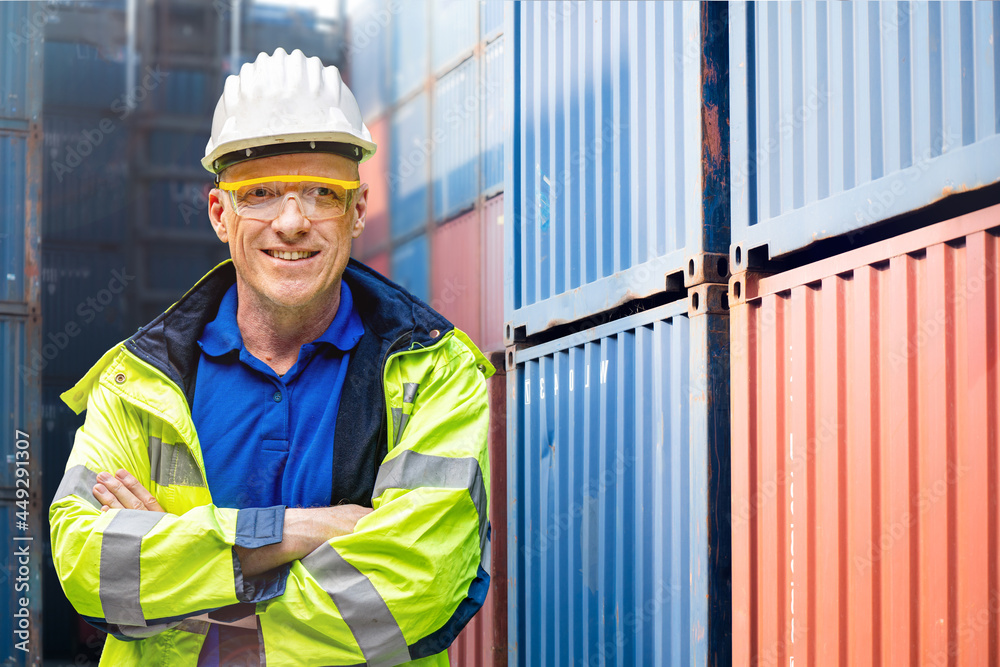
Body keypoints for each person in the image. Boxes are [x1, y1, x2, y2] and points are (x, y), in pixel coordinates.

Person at [49, 48, 493, 667]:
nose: (291, 222)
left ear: (357, 210)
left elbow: (419, 584)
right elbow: (91, 569)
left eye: (321, 193)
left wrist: (193, 597)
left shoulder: (436, 373)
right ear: (219, 214)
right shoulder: (135, 381)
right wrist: (302, 530)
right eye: (259, 194)